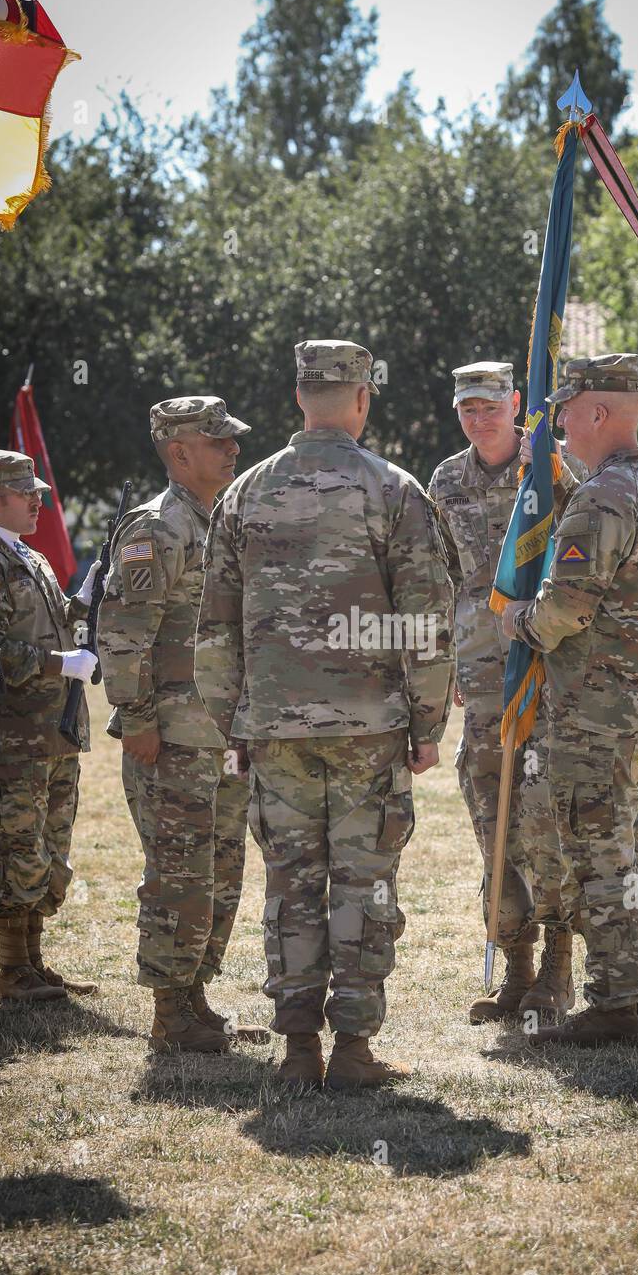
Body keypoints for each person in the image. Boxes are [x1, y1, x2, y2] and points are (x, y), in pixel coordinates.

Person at [195, 340, 455, 1089]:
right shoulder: (395, 490)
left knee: (292, 888)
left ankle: (299, 1050)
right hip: (369, 730)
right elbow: (425, 623)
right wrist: (427, 724)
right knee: (362, 887)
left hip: (274, 731)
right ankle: (351, 1051)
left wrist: (232, 725)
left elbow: (213, 629)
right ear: (363, 398)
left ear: (299, 397)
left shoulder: (244, 494)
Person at [502, 354, 638, 1046]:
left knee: (598, 851)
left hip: (599, 713)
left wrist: (511, 620)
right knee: (628, 845)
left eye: (566, 409)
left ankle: (612, 1005)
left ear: (599, 412)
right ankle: (633, 992)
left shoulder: (603, 498)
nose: (557, 422)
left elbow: (562, 615)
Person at [98, 396, 270, 1054]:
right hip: (170, 738)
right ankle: (171, 1014)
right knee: (178, 876)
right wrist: (137, 719)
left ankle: (197, 999)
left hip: (224, 740)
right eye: (217, 441)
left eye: (232, 440)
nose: (232, 450)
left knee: (222, 870)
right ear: (178, 452)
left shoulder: (222, 519)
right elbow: (121, 634)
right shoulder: (155, 529)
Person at [429, 361, 585, 1025]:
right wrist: (450, 666)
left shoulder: (549, 465)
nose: (479, 418)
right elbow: (440, 578)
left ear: (515, 402)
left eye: (491, 406)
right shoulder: (445, 481)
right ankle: (514, 971)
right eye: (467, 408)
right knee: (491, 817)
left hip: (549, 668)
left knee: (545, 817)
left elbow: (587, 538)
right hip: (483, 678)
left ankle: (556, 970)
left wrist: (552, 467)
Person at [0, 449, 101, 1004]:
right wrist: (59, 665)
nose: (39, 503)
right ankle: (11, 969)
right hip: (16, 734)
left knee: (49, 846)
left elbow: (50, 621)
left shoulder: (28, 556)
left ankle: (36, 963)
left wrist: (84, 600)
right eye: (29, 494)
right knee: (15, 846)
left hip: (54, 731)